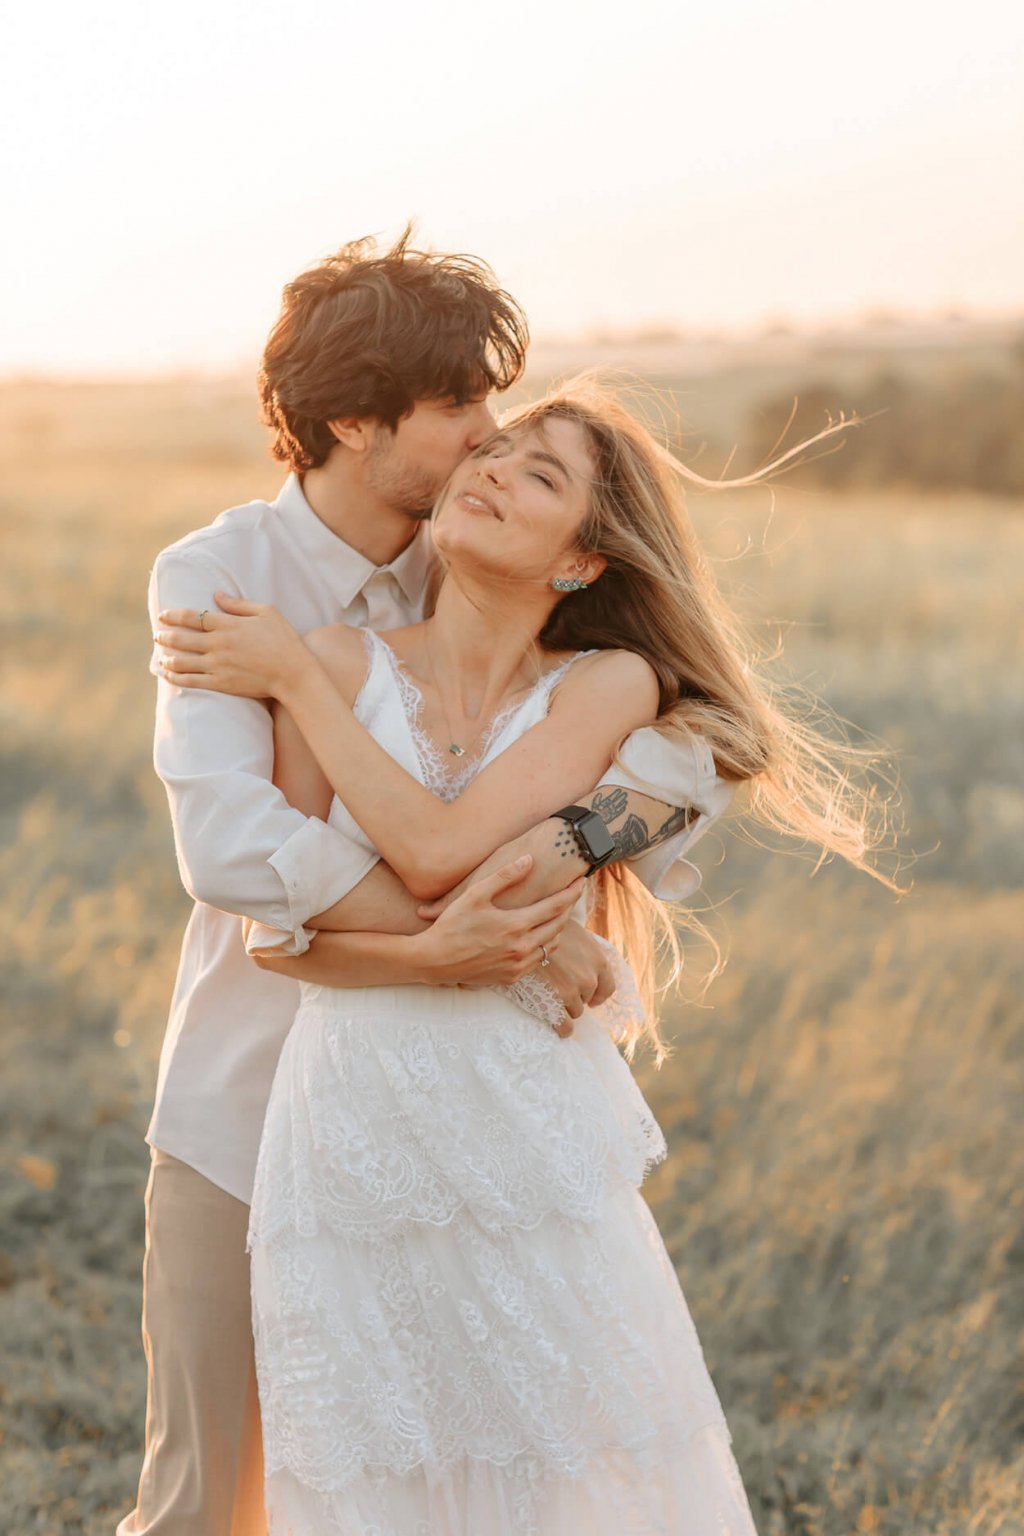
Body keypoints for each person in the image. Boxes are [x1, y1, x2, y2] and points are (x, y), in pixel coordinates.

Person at [156, 380, 890, 1533]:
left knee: (568, 1449)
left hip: (521, 1114)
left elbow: (445, 850)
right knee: (382, 1466)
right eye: (494, 453)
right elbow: (280, 942)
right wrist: (454, 957)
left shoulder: (606, 686)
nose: (489, 470)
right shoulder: (344, 661)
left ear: (582, 564)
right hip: (350, 1120)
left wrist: (291, 677)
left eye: (538, 474)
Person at [123, 234, 729, 1536]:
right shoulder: (222, 583)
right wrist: (483, 941)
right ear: (355, 418)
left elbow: (692, 749)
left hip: (466, 1129)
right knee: (203, 1508)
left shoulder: (489, 556)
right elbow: (234, 852)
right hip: (249, 1102)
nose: (491, 435)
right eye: (463, 406)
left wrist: (572, 850)